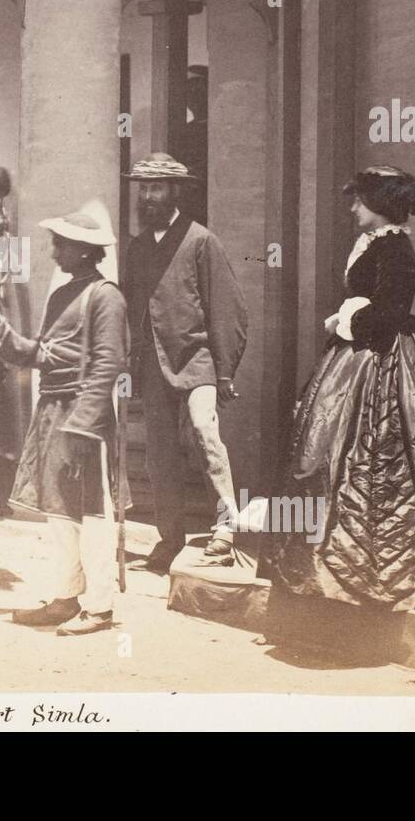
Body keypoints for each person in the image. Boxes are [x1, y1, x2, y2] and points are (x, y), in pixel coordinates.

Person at [261, 166, 415, 609]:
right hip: (362, 355)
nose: (352, 208)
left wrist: (346, 319)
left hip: (383, 359)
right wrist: (348, 314)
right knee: (328, 454)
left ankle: (376, 565)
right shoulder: (376, 243)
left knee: (373, 455)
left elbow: (391, 312)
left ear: (380, 207)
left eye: (359, 201)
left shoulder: (396, 248)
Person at [0, 205, 130, 636]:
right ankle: (67, 597)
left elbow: (109, 364)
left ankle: (100, 609)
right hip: (52, 412)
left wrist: (83, 425)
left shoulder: (106, 296)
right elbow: (41, 354)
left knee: (93, 515)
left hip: (86, 418)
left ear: (85, 251)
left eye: (61, 244)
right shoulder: (62, 295)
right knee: (60, 512)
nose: (54, 251)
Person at [121, 153, 248, 574]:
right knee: (159, 454)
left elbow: (227, 310)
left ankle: (226, 530)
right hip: (154, 366)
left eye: (157, 188)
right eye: (144, 188)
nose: (148, 196)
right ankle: (169, 538)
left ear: (175, 191)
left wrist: (225, 370)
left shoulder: (200, 241)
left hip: (198, 361)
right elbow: (131, 308)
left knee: (203, 432)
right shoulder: (137, 248)